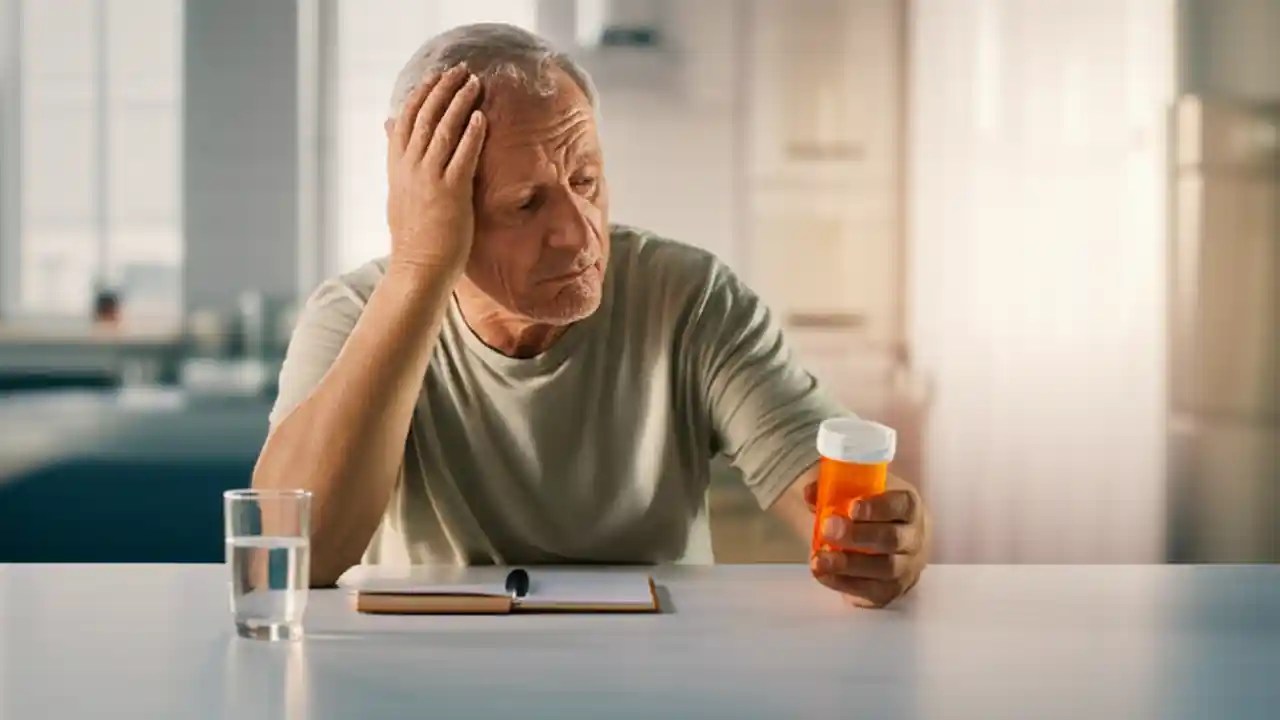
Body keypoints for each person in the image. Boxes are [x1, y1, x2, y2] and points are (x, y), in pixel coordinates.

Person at [253, 23, 929, 608]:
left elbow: (825, 485)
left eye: (586, 183)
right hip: (425, 677)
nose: (579, 236)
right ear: (437, 209)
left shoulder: (688, 297)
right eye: (526, 205)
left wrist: (882, 537)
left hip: (653, 674)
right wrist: (419, 267)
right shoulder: (352, 313)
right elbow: (290, 557)